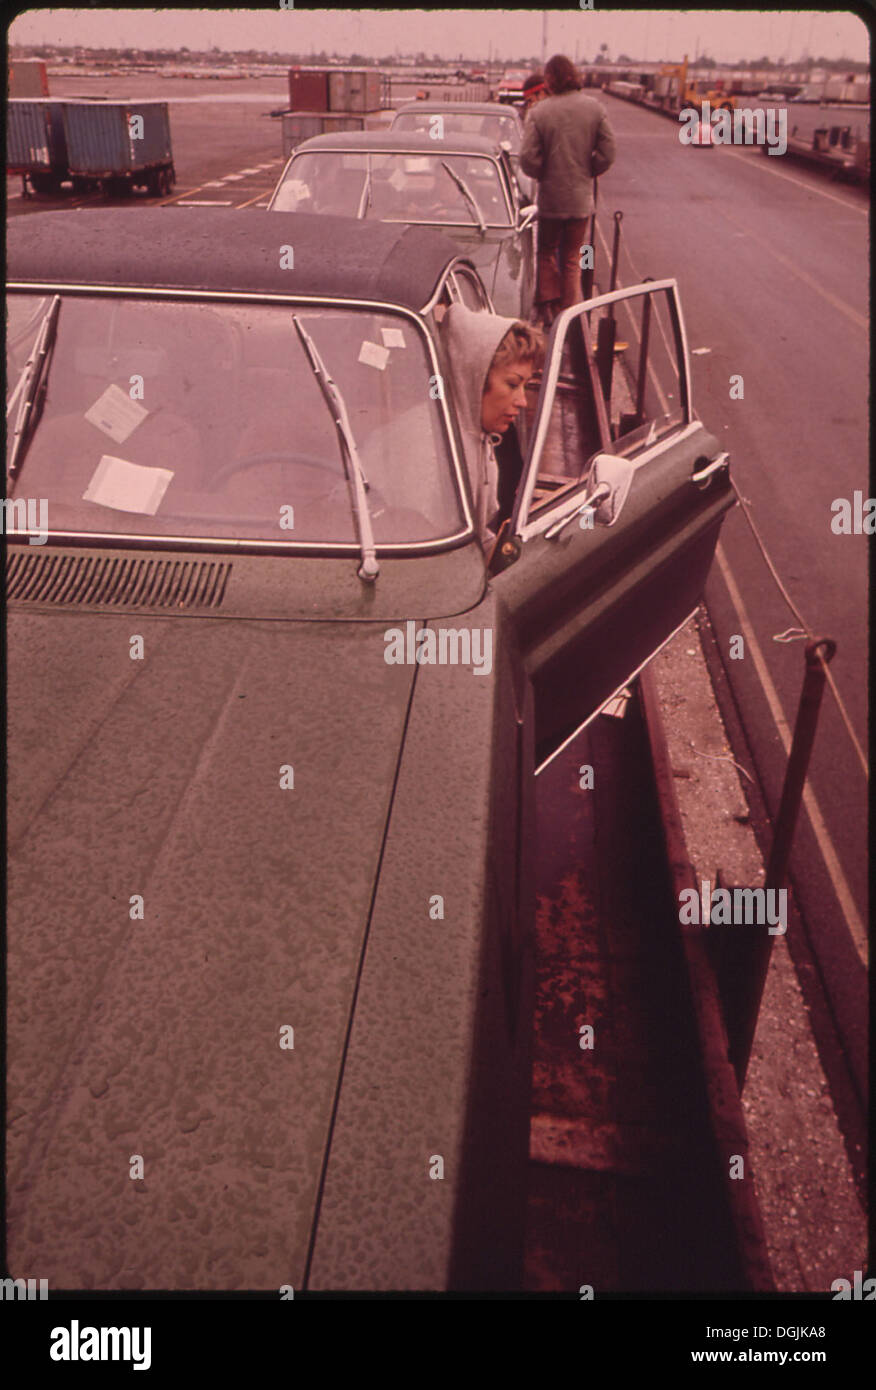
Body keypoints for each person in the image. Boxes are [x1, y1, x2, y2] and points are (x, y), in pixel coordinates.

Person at [519, 53, 616, 328]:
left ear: (550, 79)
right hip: (580, 199)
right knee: (572, 258)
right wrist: (589, 169)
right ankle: (568, 314)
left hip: (550, 198)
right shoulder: (595, 108)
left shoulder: (539, 112)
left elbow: (527, 159)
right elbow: (609, 153)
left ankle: (548, 305)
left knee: (546, 252)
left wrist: (544, 172)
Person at [442, 303, 544, 545]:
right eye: (512, 384)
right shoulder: (433, 455)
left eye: (525, 386)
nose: (522, 402)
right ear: (474, 378)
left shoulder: (474, 436)